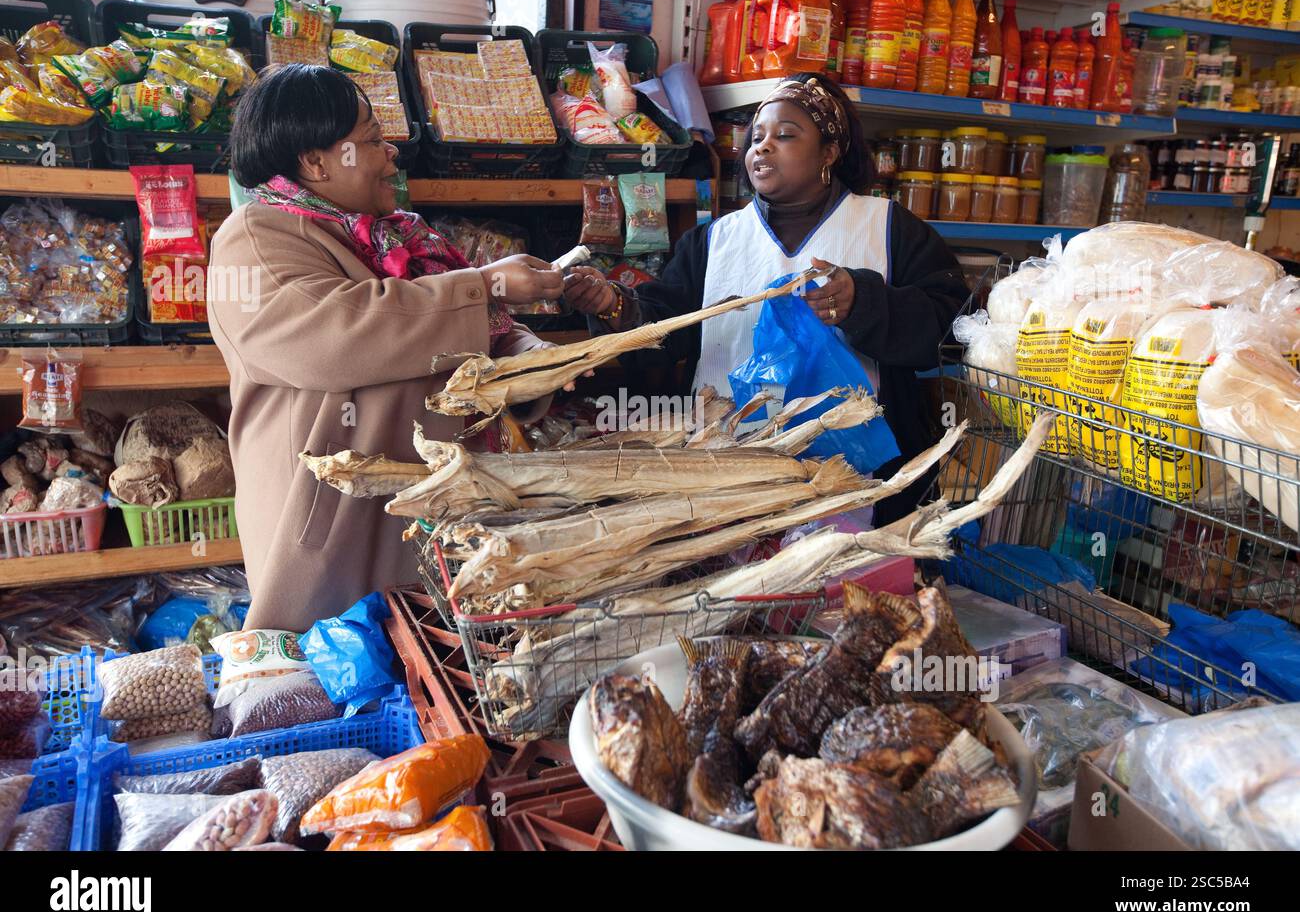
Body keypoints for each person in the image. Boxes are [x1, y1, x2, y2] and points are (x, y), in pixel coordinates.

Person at [208, 64, 565, 632]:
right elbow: (337, 336)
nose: (390, 152)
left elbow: (468, 330)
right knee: (345, 677)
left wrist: (530, 363)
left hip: (421, 506)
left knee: (432, 676)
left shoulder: (398, 233)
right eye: (372, 139)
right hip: (330, 523)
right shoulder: (254, 238)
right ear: (315, 161)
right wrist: (485, 284)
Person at [563, 73, 968, 525]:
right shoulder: (713, 241)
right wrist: (613, 305)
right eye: (757, 137)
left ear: (829, 153)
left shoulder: (890, 228)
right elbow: (666, 327)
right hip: (727, 468)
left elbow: (952, 325)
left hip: (858, 478)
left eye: (785, 135)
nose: (763, 147)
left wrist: (865, 303)